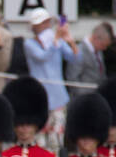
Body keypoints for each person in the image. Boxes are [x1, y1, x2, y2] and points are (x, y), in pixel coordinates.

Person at [22, 8, 76, 149]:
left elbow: (74, 57)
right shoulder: (29, 43)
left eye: (47, 22)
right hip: (39, 99)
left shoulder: (55, 40)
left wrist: (70, 41)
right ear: (34, 27)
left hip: (58, 99)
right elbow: (42, 57)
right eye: (42, 23)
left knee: (56, 141)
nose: (46, 26)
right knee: (39, 142)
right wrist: (56, 40)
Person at [67, 21, 111, 87]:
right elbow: (72, 78)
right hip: (84, 95)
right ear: (95, 37)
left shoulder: (99, 52)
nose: (104, 48)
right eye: (103, 45)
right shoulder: (78, 51)